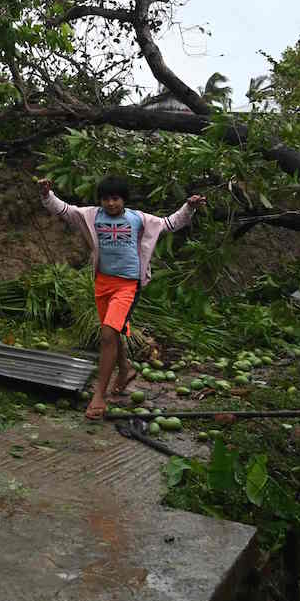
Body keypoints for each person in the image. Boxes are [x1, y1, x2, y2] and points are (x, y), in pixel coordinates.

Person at [37, 174, 206, 420]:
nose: (111, 204)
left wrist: (188, 207)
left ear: (123, 200)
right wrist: (46, 195)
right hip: (102, 283)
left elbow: (169, 223)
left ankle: (99, 395)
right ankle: (125, 370)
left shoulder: (138, 219)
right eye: (106, 199)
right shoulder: (92, 215)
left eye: (115, 199)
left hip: (128, 286)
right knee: (113, 331)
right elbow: (64, 210)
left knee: (107, 335)